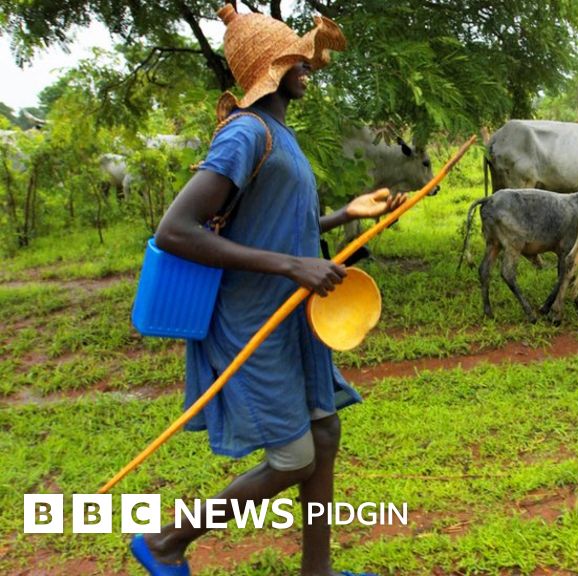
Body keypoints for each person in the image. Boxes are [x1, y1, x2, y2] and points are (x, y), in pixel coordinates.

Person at [129, 5, 404, 576]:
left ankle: (317, 572)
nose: (307, 67)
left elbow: (276, 226)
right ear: (270, 71)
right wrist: (291, 267)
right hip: (250, 320)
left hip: (292, 317)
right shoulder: (245, 133)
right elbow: (174, 230)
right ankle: (166, 542)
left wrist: (345, 214)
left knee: (324, 430)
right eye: (295, 60)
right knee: (294, 457)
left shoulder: (280, 135)